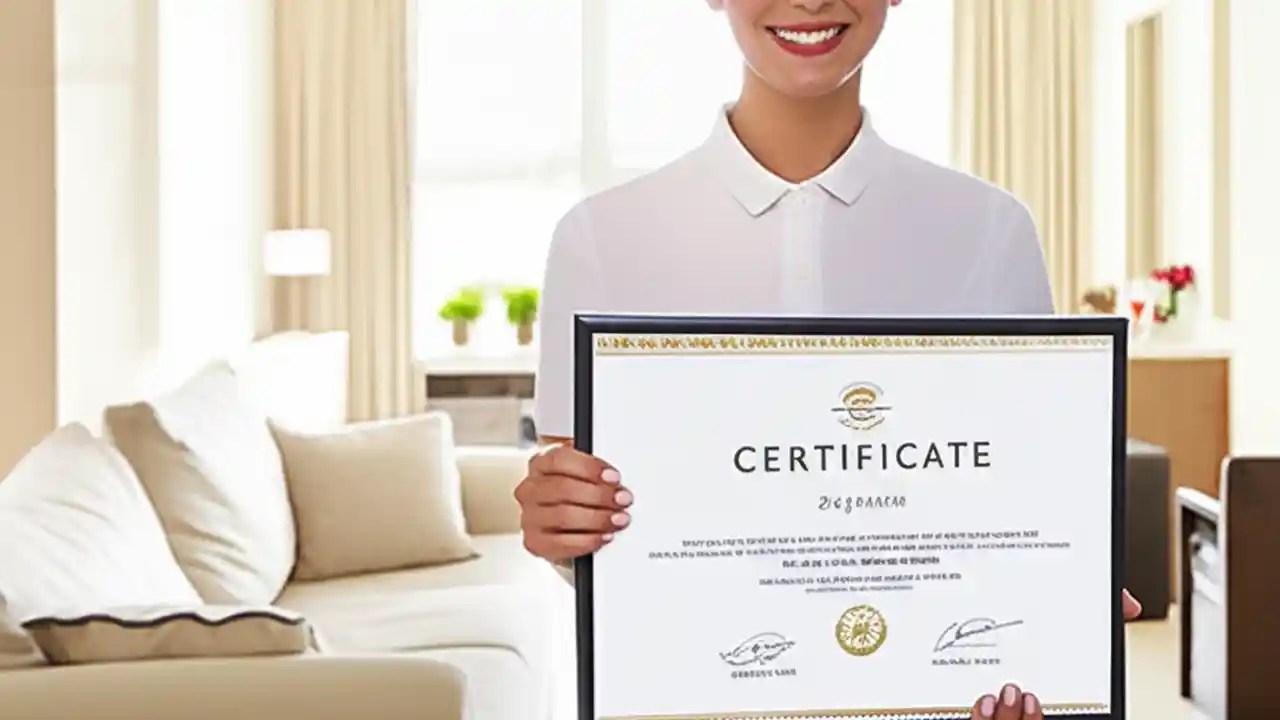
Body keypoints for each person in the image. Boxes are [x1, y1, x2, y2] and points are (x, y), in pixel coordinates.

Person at [515, 1, 1142, 718]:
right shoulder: (602, 234)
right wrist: (561, 526)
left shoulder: (990, 230)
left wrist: (1052, 608)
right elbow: (593, 535)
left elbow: (1021, 495)